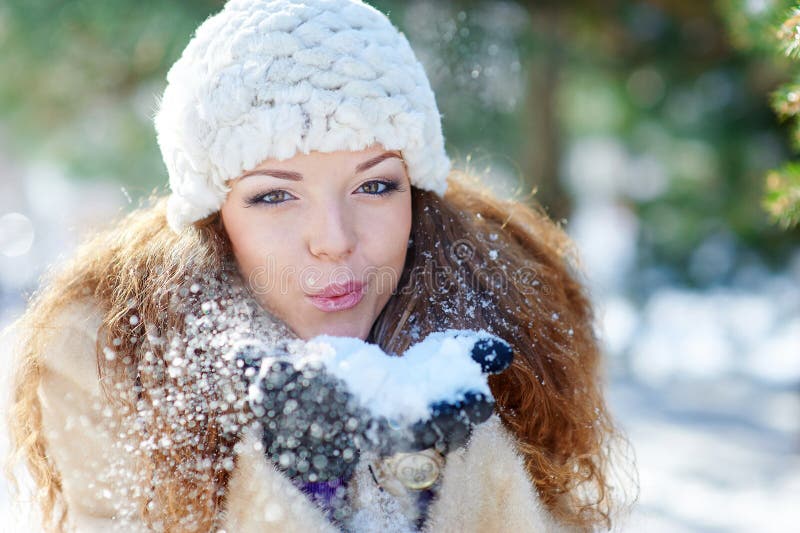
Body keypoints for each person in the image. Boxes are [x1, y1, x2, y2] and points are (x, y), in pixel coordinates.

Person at [5, 0, 635, 531]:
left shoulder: (511, 314)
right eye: (274, 196)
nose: (334, 241)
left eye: (374, 186)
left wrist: (444, 474)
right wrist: (298, 489)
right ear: (212, 218)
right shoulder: (111, 348)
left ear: (415, 192)